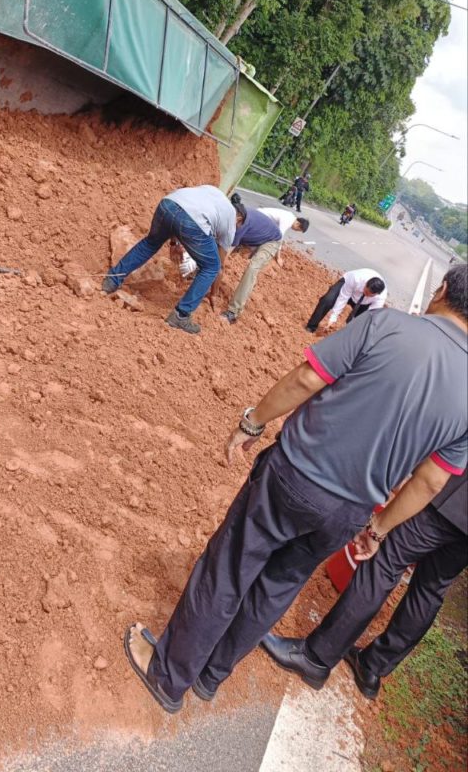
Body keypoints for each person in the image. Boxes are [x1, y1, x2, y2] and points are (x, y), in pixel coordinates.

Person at [123, 265, 467, 713]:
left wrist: (253, 422)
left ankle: (168, 675)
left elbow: (308, 378)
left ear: (442, 290)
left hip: (295, 475)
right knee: (276, 587)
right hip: (350, 512)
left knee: (228, 568)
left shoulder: (385, 325)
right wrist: (378, 528)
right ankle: (211, 677)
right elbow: (431, 479)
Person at [262, 471, 467, 698]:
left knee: (385, 561)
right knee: (431, 587)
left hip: (453, 496)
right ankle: (372, 667)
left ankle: (316, 657)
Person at [102, 185, 244, 335]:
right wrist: (213, 293)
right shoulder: (230, 222)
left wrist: (174, 242)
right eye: (239, 225)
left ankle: (111, 280)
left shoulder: (214, 193)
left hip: (167, 204)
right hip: (190, 220)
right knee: (211, 266)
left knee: (150, 243)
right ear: (238, 218)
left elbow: (180, 211)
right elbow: (219, 266)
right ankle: (181, 315)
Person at [221, 203, 309, 324]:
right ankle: (198, 272)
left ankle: (233, 312)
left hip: (271, 241)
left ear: (239, 218)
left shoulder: (242, 224)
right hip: (256, 234)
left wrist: (220, 265)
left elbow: (228, 250)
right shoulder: (232, 217)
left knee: (252, 269)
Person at [306, 268, 386, 333]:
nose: (366, 294)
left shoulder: (380, 297)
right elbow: (343, 297)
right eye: (366, 291)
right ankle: (311, 326)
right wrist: (333, 318)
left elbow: (371, 314)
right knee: (327, 300)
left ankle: (349, 338)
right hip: (348, 288)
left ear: (376, 294)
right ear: (365, 284)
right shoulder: (356, 278)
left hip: (363, 303)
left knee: (363, 321)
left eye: (370, 295)